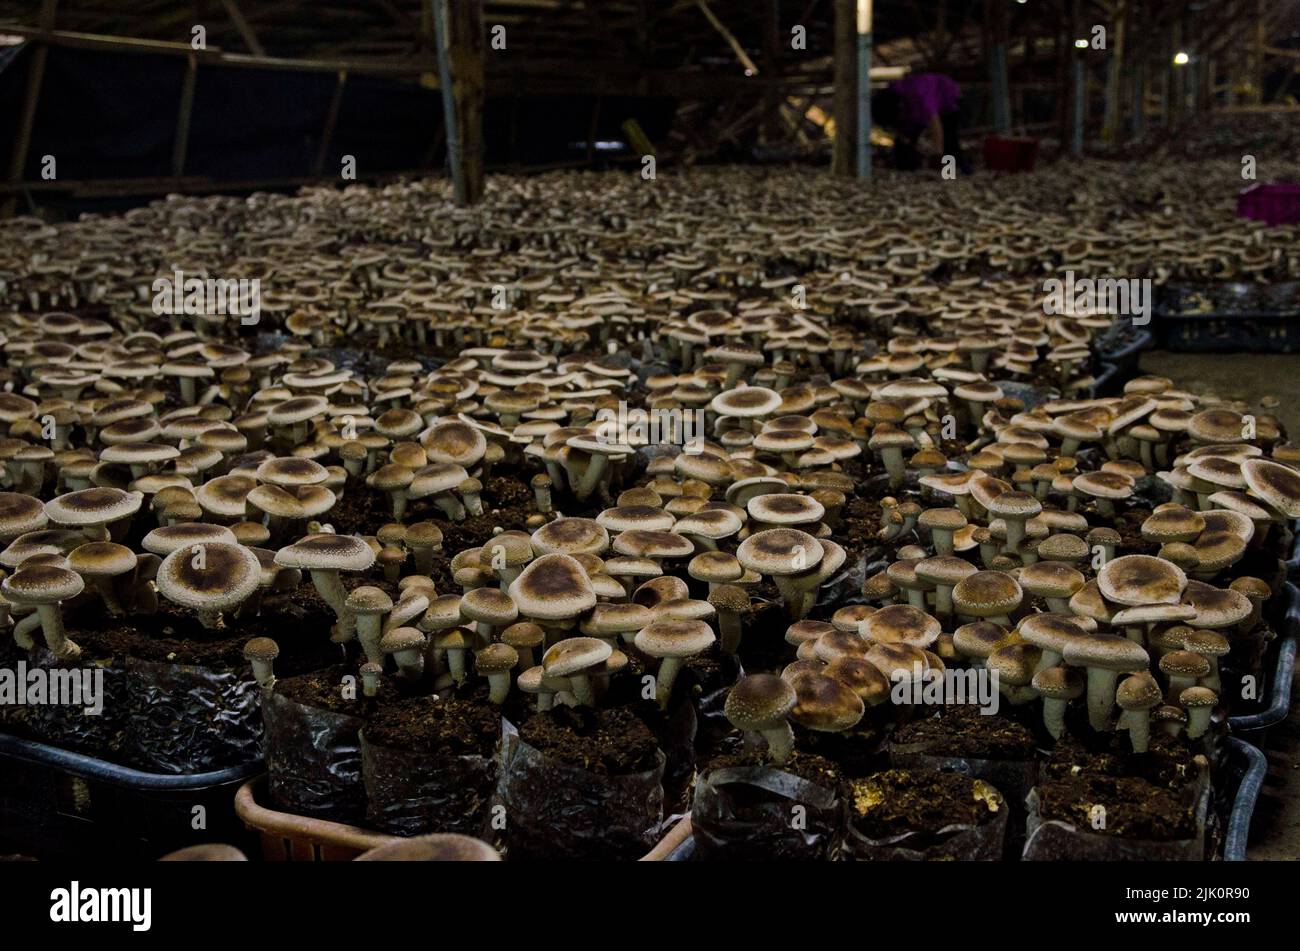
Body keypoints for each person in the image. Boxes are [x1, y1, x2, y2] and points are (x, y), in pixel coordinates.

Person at [875, 73, 969, 173]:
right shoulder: (893, 93)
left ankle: (951, 172)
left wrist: (938, 153)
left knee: (949, 139)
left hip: (947, 100)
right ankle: (906, 167)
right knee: (904, 141)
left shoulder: (920, 98)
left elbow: (936, 127)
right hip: (912, 108)